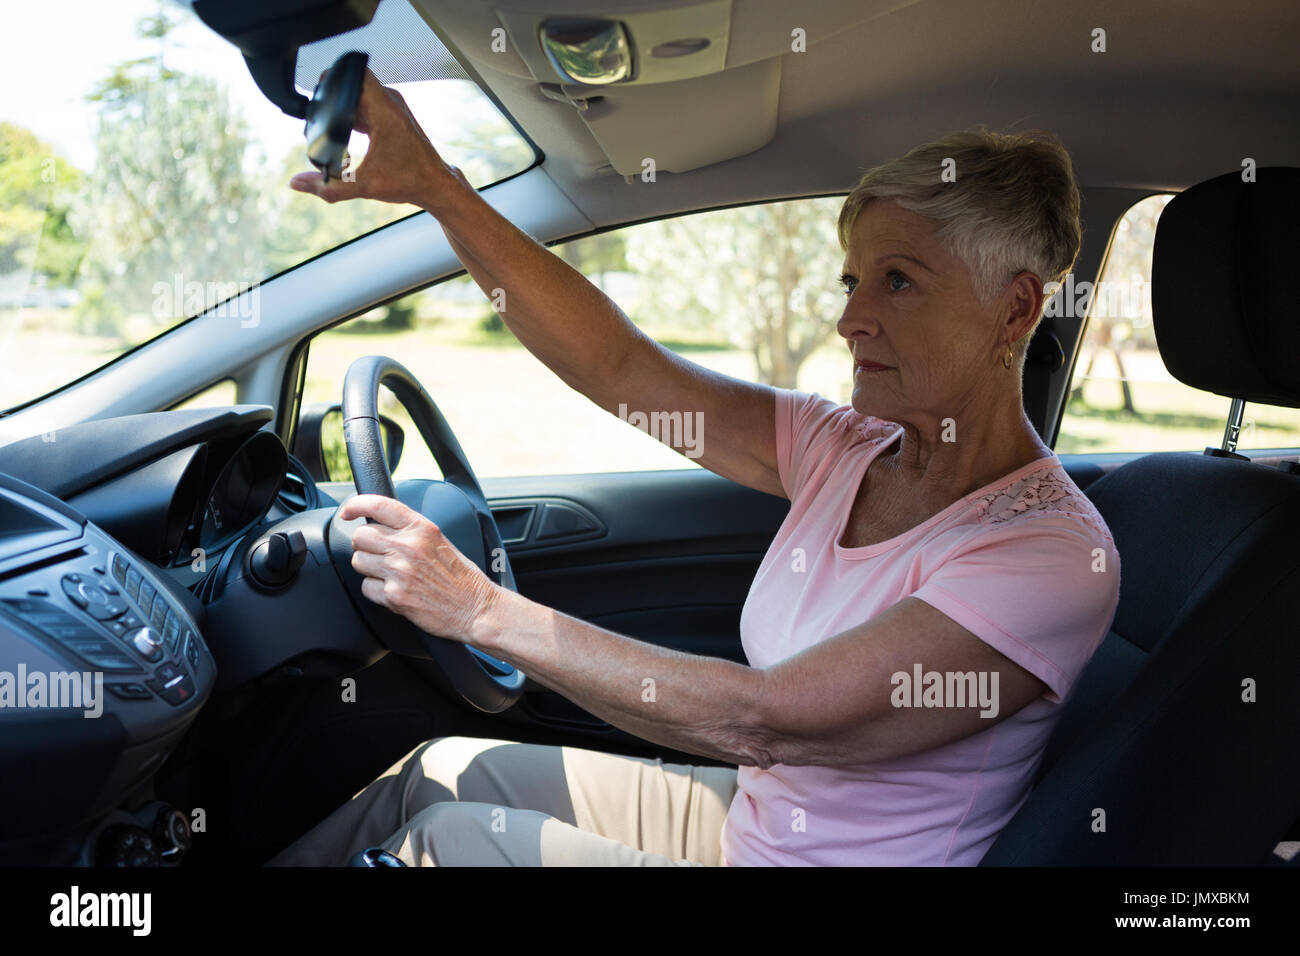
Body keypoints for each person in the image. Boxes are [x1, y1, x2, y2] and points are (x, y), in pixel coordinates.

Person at [269, 73, 1120, 866]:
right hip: (756, 821)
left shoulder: (1049, 556)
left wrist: (475, 608)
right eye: (853, 279)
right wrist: (438, 189)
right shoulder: (846, 446)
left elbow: (768, 720)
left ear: (1014, 308)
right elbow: (620, 367)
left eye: (898, 282)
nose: (849, 319)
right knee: (439, 775)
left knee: (453, 842)